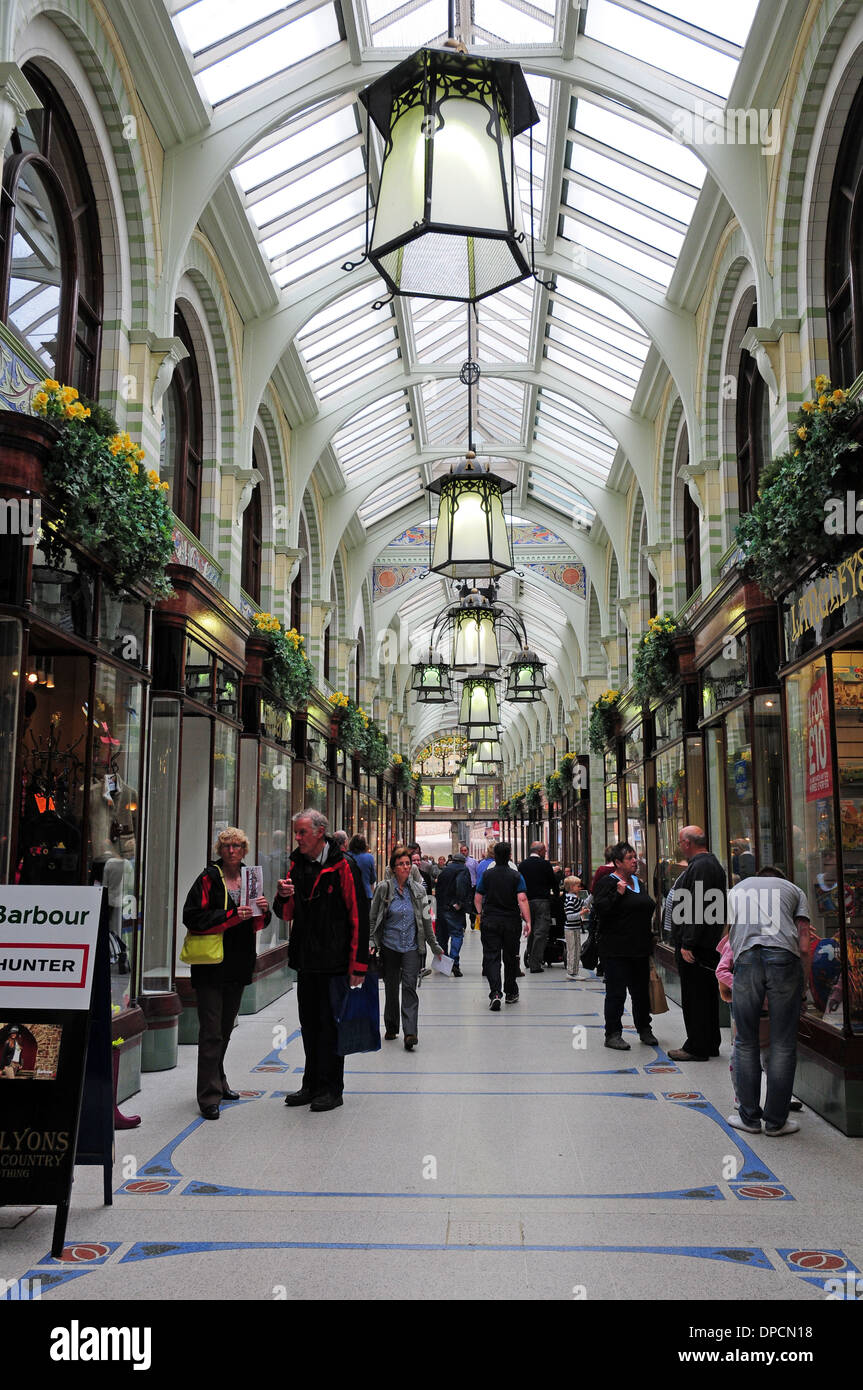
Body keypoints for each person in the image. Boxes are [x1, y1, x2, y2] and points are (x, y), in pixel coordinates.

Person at [274, 809, 369, 1112]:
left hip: (335, 962)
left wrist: (358, 965)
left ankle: (332, 1088)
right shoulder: (297, 864)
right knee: (309, 1024)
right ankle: (311, 1084)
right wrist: (283, 896)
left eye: (302, 832)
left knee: (330, 1025)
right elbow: (286, 914)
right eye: (296, 832)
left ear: (320, 832)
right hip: (307, 960)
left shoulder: (344, 866)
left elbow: (358, 916)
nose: (297, 838)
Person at [182, 827, 270, 1119]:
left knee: (224, 1028)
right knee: (210, 1031)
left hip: (239, 962)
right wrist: (231, 916)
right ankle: (208, 1096)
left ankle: (218, 1080)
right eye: (226, 846)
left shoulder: (251, 878)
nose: (231, 850)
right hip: (210, 965)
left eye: (237, 846)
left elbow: (258, 923)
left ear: (244, 850)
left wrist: (264, 910)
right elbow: (192, 917)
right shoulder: (208, 878)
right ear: (219, 850)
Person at [723, 866, 811, 1135]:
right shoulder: (795, 891)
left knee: (745, 1040)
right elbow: (805, 945)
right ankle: (776, 1122)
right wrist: (803, 989)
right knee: (782, 1042)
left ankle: (748, 1118)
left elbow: (728, 934)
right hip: (784, 958)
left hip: (746, 959)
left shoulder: (737, 890)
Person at [371, 844, 442, 1049]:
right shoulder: (384, 889)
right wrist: (371, 943)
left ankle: (410, 1032)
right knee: (392, 988)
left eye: (408, 864)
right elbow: (373, 917)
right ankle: (392, 1026)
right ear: (393, 868)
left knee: (410, 987)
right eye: (401, 864)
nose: (405, 867)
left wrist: (435, 946)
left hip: (412, 946)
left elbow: (426, 920)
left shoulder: (419, 891)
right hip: (390, 946)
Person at [665, 826, 727, 1062]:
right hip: (704, 942)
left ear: (688, 843)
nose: (680, 846)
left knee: (696, 996)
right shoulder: (709, 864)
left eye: (680, 842)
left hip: (697, 946)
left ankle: (697, 1046)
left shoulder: (701, 866)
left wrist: (688, 943)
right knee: (704, 994)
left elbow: (699, 906)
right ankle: (709, 1042)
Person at [591, 842, 657, 1050]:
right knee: (616, 993)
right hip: (616, 949)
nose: (635, 861)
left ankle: (644, 1028)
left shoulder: (639, 883)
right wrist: (617, 895)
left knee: (640, 992)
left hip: (640, 947)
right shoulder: (607, 883)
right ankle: (613, 1033)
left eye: (635, 857)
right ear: (618, 862)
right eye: (629, 858)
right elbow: (601, 910)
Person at [474, 841, 531, 1009]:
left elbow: (478, 897)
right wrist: (528, 921)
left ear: (494, 856)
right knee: (510, 957)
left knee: (492, 957)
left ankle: (495, 993)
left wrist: (480, 914)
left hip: (490, 920)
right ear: (510, 856)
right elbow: (522, 899)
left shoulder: (487, 875)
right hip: (511, 922)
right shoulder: (516, 876)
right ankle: (511, 991)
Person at [518, 841, 560, 973]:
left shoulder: (523, 865)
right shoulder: (545, 864)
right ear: (540, 850)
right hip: (542, 901)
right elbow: (553, 882)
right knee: (540, 932)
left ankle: (529, 955)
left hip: (527, 902)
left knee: (531, 928)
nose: (545, 853)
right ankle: (535, 963)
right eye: (545, 851)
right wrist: (557, 895)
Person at [434, 849, 472, 976]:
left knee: (442, 936)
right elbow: (461, 886)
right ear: (463, 862)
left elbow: (438, 888)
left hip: (441, 908)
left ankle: (444, 964)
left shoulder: (445, 870)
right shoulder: (462, 870)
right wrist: (459, 903)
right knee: (457, 935)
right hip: (453, 909)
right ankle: (454, 962)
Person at [563, 874, 590, 980]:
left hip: (575, 928)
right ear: (571, 887)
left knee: (576, 949)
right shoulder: (570, 900)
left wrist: (593, 895)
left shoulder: (575, 898)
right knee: (573, 950)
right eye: (578, 886)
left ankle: (574, 971)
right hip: (571, 929)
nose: (580, 888)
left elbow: (585, 903)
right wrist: (581, 912)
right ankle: (571, 972)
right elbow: (569, 916)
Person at [348, 833, 376, 900]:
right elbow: (373, 878)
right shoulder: (369, 858)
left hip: (350, 894)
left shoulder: (347, 857)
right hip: (365, 894)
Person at [460, 842, 480, 929]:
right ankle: (463, 924)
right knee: (462, 905)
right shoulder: (459, 862)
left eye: (465, 850)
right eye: (462, 851)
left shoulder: (473, 862)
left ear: (468, 851)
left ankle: (472, 921)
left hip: (472, 886)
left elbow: (477, 873)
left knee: (472, 905)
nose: (463, 852)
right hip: (462, 887)